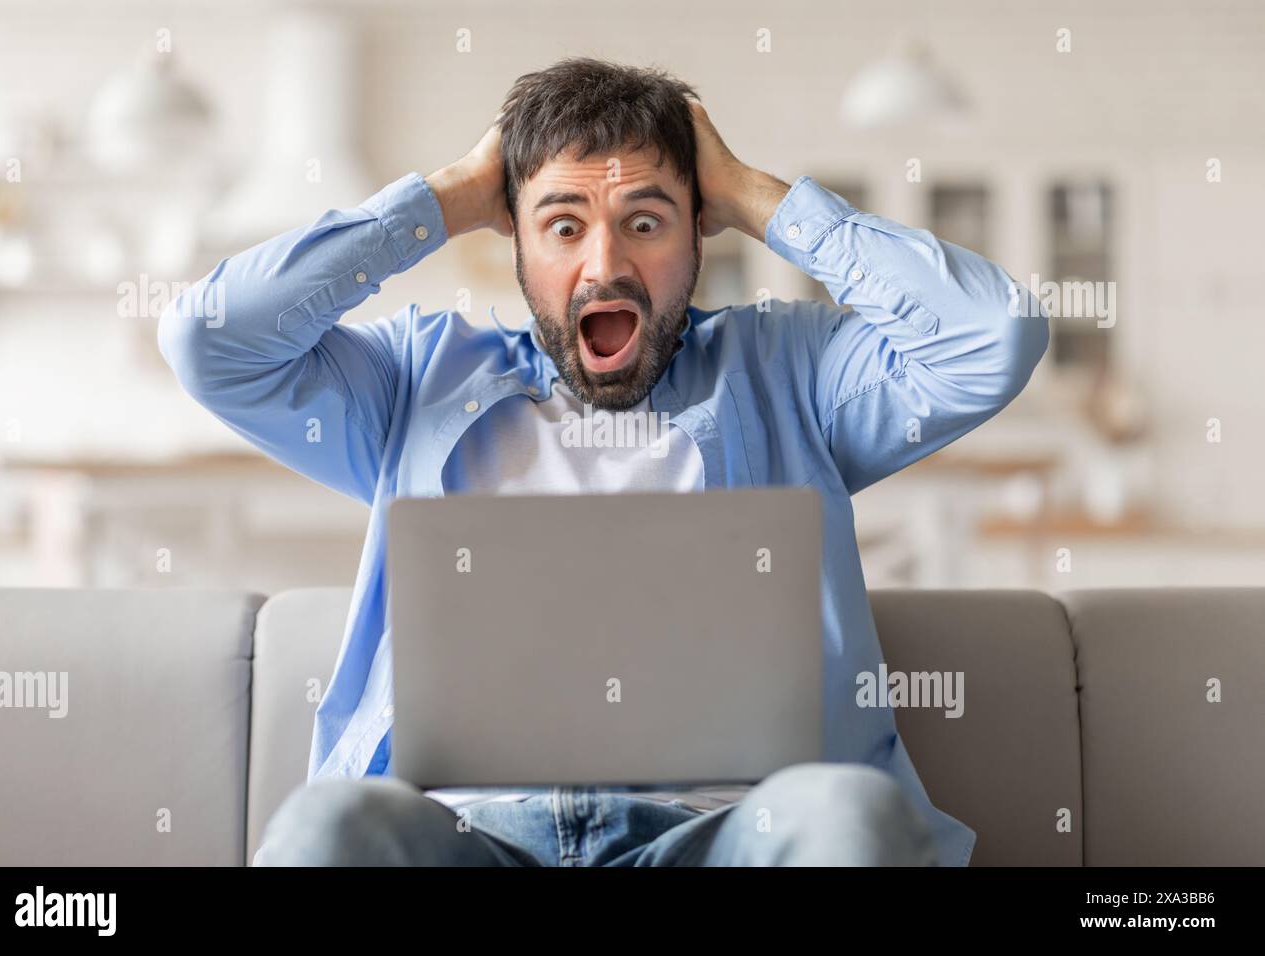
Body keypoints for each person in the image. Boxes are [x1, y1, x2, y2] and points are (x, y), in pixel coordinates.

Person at [159, 57, 1049, 866]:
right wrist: (441, 201)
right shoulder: (414, 382)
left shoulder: (792, 375)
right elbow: (211, 341)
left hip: (726, 835)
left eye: (647, 222)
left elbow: (992, 336)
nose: (605, 265)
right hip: (471, 838)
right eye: (562, 225)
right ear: (510, 235)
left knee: (849, 816)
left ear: (702, 231)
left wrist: (754, 194)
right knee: (325, 828)